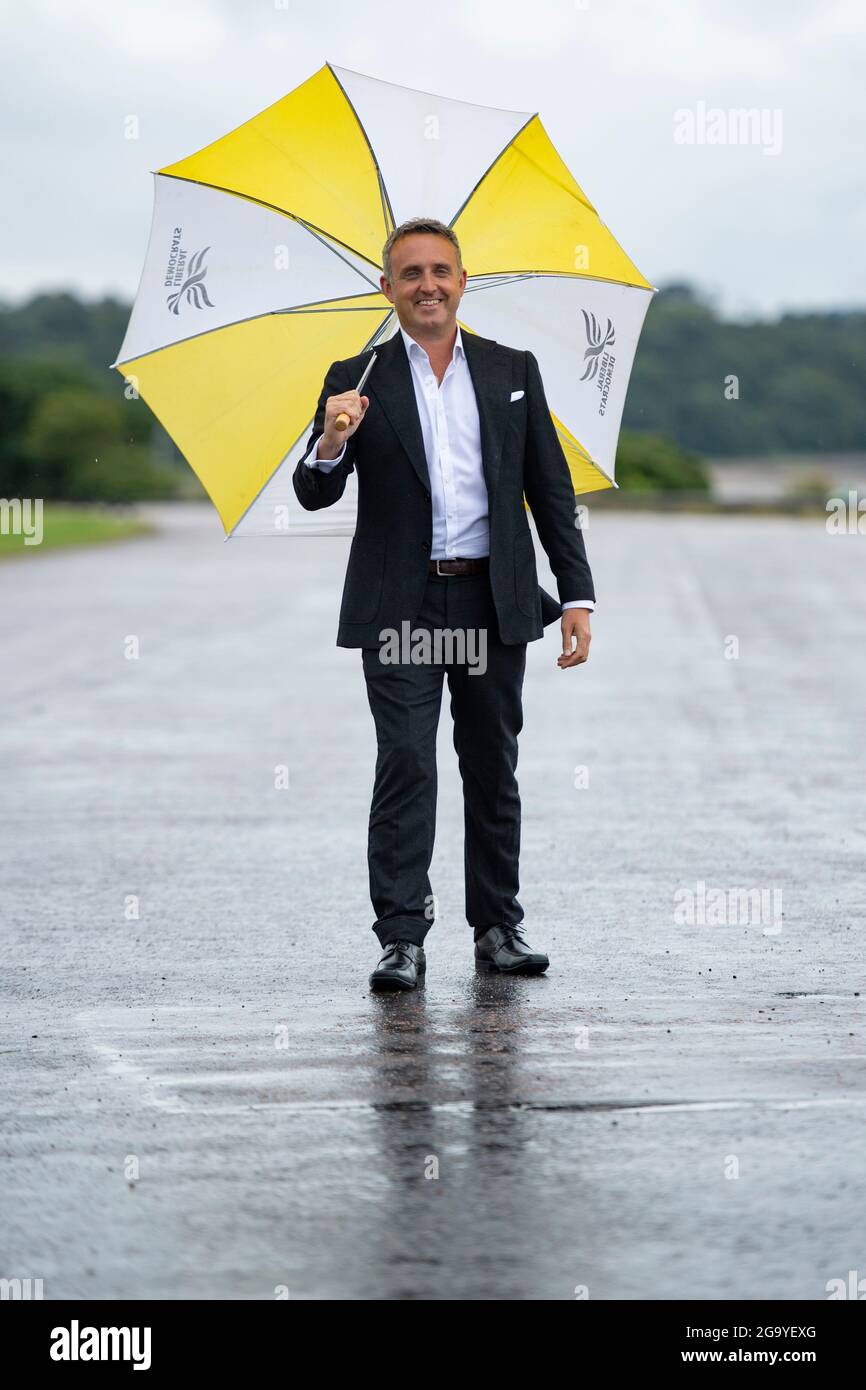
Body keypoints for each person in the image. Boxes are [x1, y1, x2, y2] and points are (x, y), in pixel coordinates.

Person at [293, 217, 595, 991]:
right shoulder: (355, 377)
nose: (428, 284)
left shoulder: (511, 369)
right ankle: (402, 938)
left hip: (494, 599)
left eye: (441, 271)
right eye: (411, 272)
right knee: (404, 761)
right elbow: (313, 490)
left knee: (492, 762)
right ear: (387, 287)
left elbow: (550, 492)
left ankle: (498, 926)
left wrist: (578, 594)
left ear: (463, 281)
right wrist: (331, 441)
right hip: (404, 605)